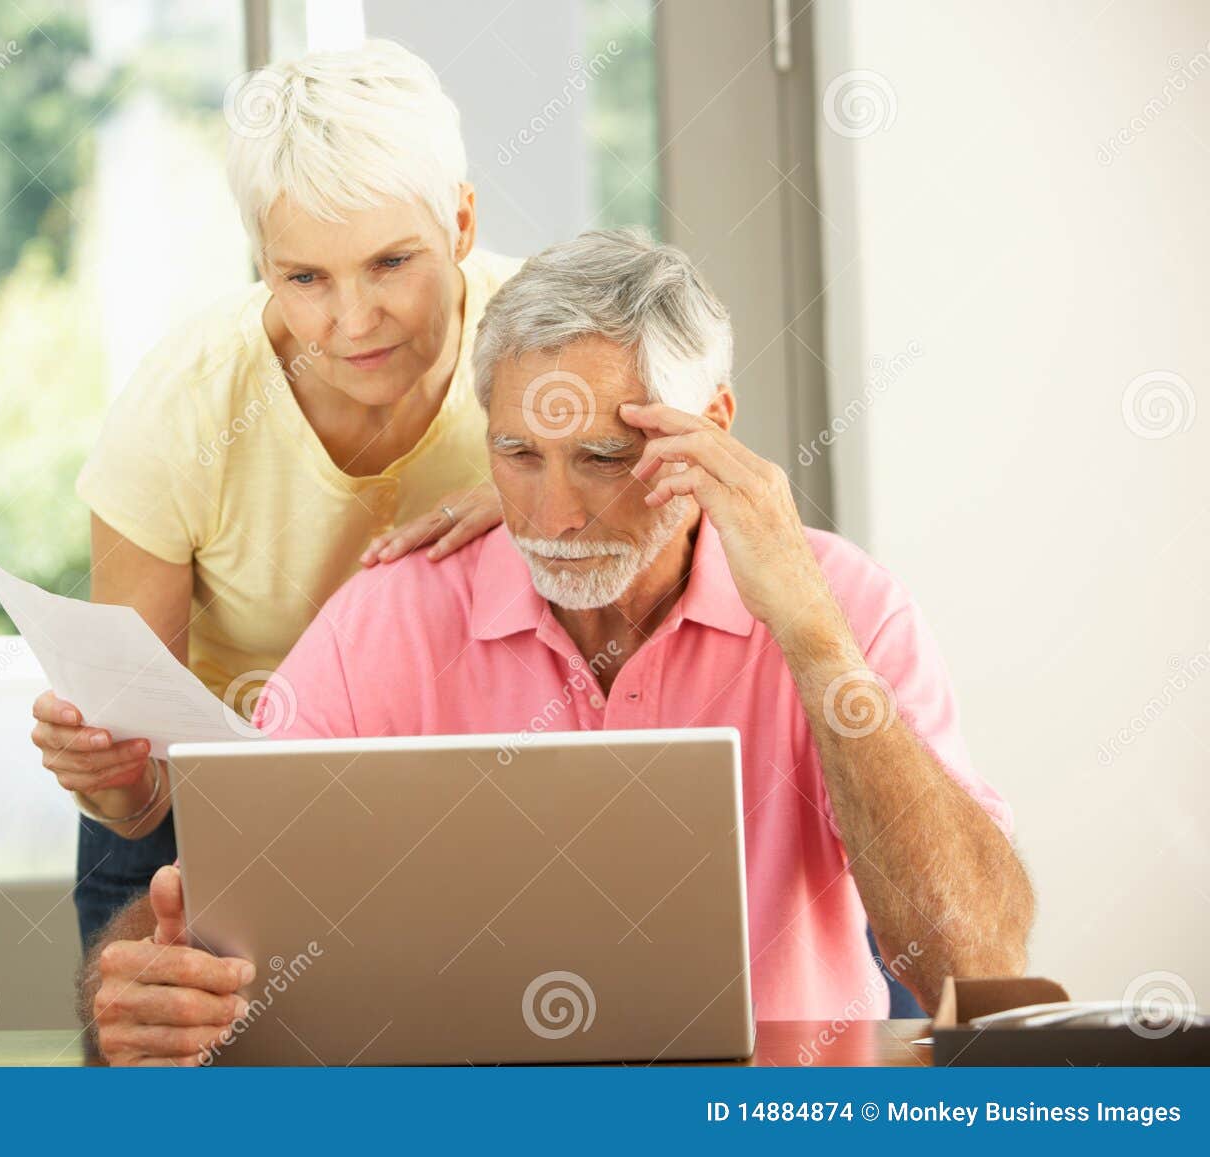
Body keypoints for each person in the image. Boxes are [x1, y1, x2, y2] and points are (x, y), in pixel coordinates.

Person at [81, 229, 1034, 1066]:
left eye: (604, 458)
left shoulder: (846, 603)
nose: (553, 518)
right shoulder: (393, 617)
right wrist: (147, 983)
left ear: (713, 428)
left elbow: (979, 961)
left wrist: (816, 641)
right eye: (519, 456)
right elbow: (213, 910)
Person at [26, 41, 522, 948]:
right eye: (306, 278)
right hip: (221, 797)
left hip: (468, 786)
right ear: (262, 261)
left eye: (390, 262)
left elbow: (694, 513)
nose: (353, 321)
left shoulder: (543, 354)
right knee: (166, 1078)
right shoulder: (183, 406)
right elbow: (138, 802)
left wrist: (548, 494)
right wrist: (111, 778)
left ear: (461, 223)